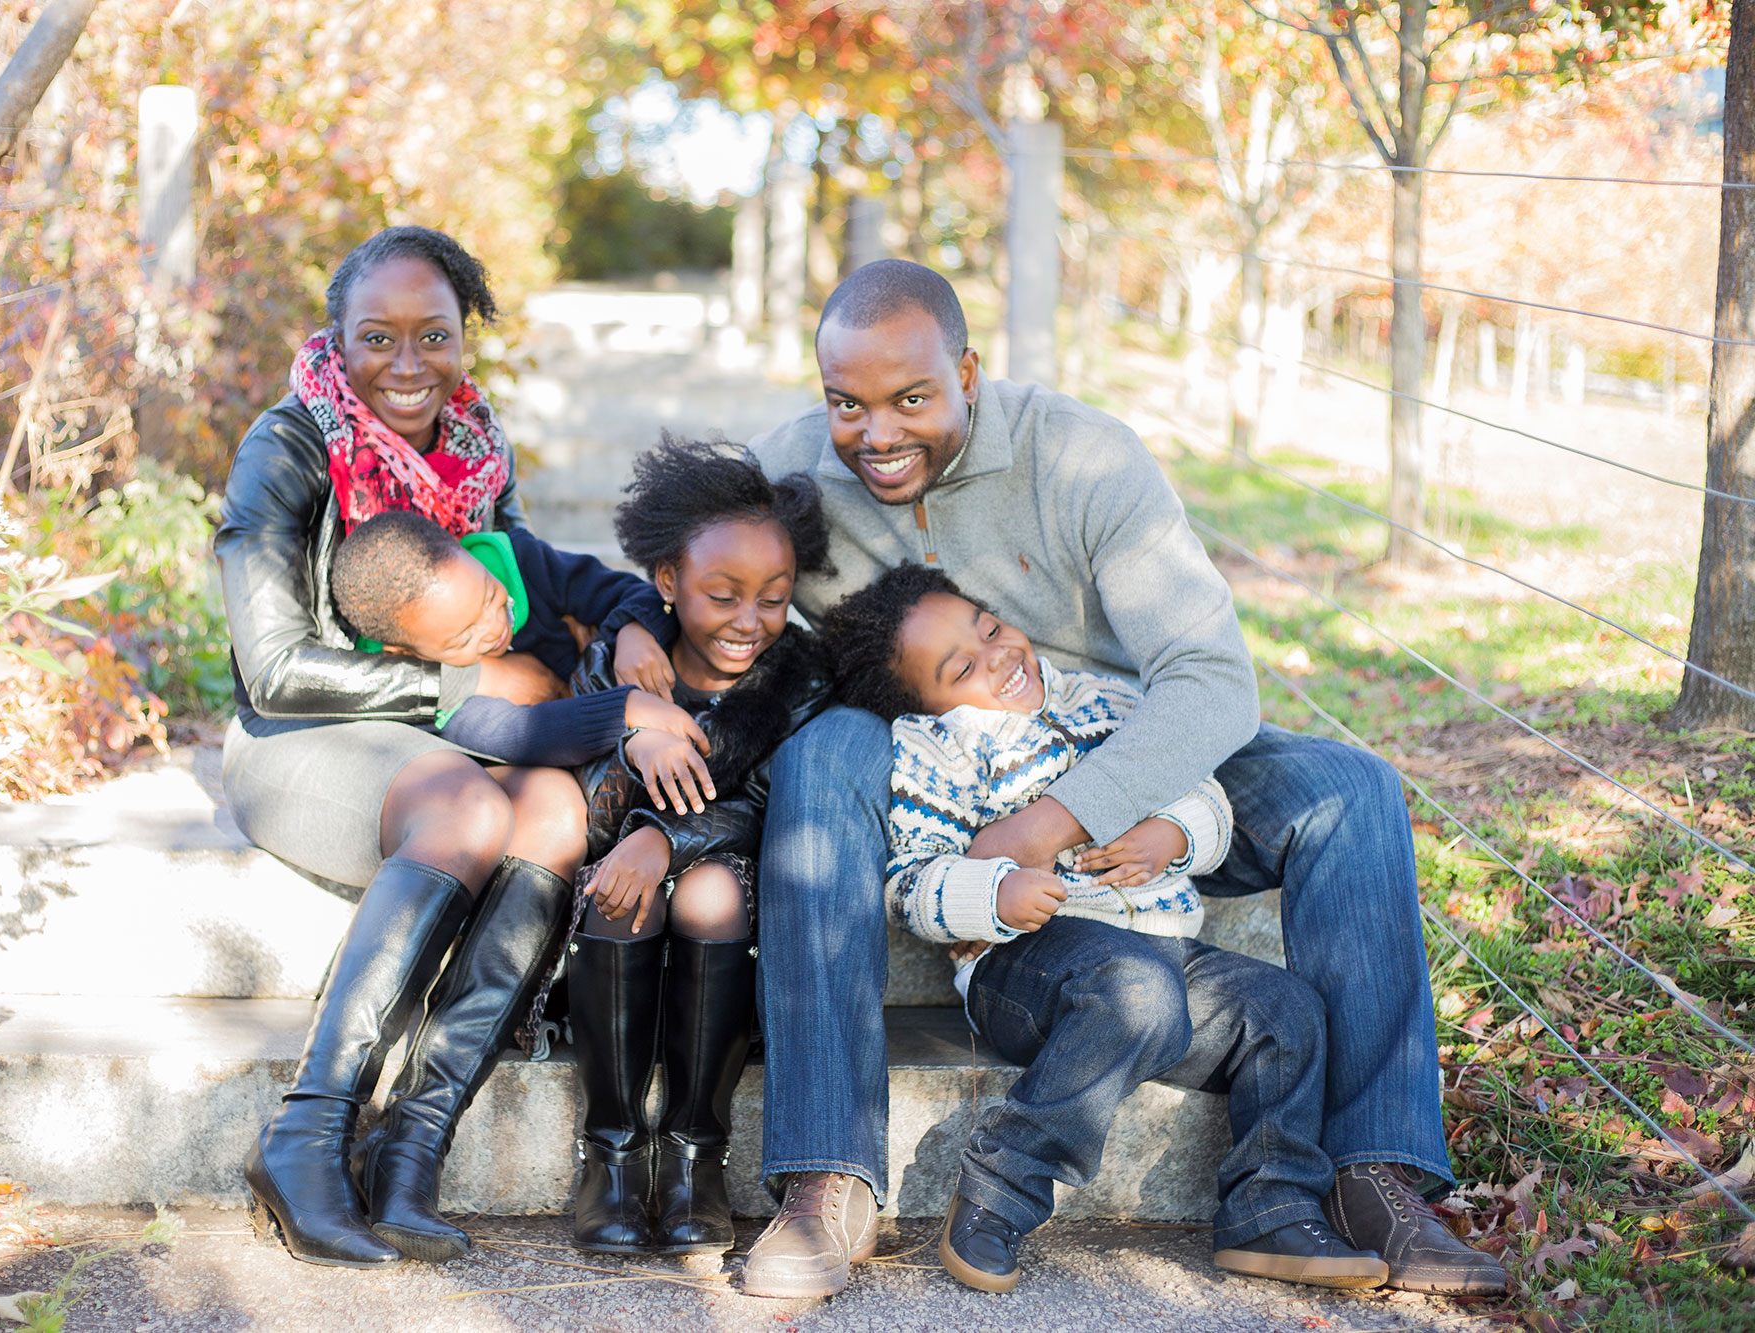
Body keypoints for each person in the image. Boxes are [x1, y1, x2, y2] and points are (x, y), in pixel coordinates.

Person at [739, 259, 1505, 1298]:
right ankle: (824, 1175)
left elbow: (1208, 681)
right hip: (940, 781)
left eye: (911, 398)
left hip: (1120, 763)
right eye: (847, 404)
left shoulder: (1082, 459)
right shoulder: (788, 473)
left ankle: (1372, 1174)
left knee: (1350, 788)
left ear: (966, 370)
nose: (876, 434)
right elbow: (709, 599)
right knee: (822, 748)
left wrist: (1058, 818)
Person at [215, 226, 674, 1268]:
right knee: (471, 809)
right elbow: (275, 667)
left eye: (434, 335)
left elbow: (522, 585)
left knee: (554, 811)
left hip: (439, 734)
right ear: (336, 339)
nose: (408, 363)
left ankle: (411, 1148)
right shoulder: (286, 448)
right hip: (307, 735)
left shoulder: (474, 446)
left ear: (466, 338)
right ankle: (307, 1133)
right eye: (378, 337)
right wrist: (455, 686)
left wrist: (630, 617)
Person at [821, 564, 1388, 1294]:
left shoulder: (1108, 700)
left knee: (1288, 1010)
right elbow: (910, 886)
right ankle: (1002, 1182)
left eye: (990, 627)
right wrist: (995, 891)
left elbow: (1202, 792)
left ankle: (1269, 1204)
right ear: (921, 699)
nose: (995, 654)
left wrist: (1175, 835)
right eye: (962, 665)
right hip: (1026, 964)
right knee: (1136, 992)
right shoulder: (935, 750)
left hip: (1162, 947)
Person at [520, 437, 831, 1258]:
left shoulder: (796, 675)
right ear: (669, 583)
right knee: (627, 894)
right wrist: (633, 740)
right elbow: (584, 801)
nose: (748, 619)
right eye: (722, 594)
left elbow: (766, 805)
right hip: (617, 894)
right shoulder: (622, 662)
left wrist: (667, 836)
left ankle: (697, 1151)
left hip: (730, 897)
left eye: (773, 595)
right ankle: (614, 1153)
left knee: (711, 890)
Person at [329, 509, 708, 768]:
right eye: (463, 638)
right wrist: (622, 709)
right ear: (406, 654)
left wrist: (634, 631)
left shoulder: (519, 562)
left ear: (465, 553)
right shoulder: (427, 696)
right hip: (591, 758)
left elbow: (627, 591)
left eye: (489, 596)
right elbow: (516, 734)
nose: (494, 628)